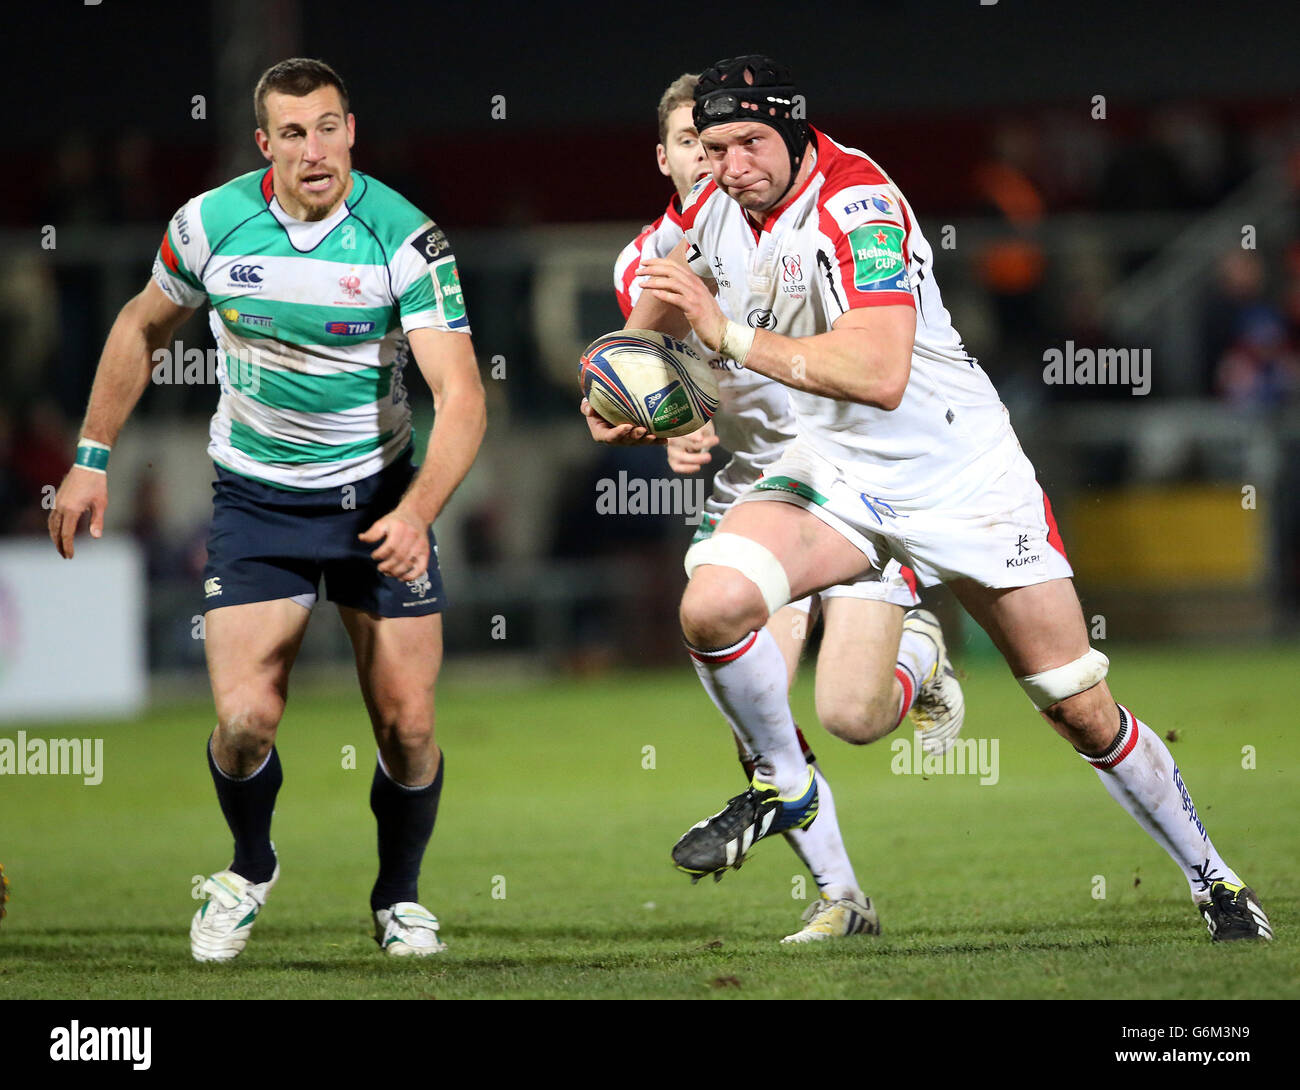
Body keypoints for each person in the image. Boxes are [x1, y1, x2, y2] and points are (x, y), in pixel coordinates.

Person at [590, 55, 1271, 942]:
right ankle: (779, 783)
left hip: (958, 477)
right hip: (833, 468)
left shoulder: (857, 202)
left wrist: (725, 333)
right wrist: (621, 389)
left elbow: (878, 373)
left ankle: (1214, 880)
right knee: (713, 606)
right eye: (712, 147)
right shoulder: (714, 206)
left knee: (1074, 703)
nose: (729, 165)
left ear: (795, 131)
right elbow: (651, 322)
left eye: (750, 142)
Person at [48, 58, 486, 960]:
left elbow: (462, 393)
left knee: (408, 727)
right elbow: (140, 324)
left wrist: (416, 510)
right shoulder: (210, 225)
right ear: (265, 144)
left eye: (328, 127)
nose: (314, 149)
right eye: (293, 133)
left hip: (377, 500)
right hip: (256, 502)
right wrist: (90, 459)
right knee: (245, 723)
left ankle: (397, 900)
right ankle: (249, 868)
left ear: (351, 130)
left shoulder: (406, 239)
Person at [608, 75, 965, 944]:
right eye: (693, 142)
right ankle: (842, 899)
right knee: (757, 701)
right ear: (664, 158)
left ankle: (918, 656)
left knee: (853, 715)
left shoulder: (809, 217)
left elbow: (880, 349)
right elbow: (648, 382)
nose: (713, 158)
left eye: (728, 140)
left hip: (858, 475)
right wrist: (666, 429)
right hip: (758, 491)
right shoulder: (644, 264)